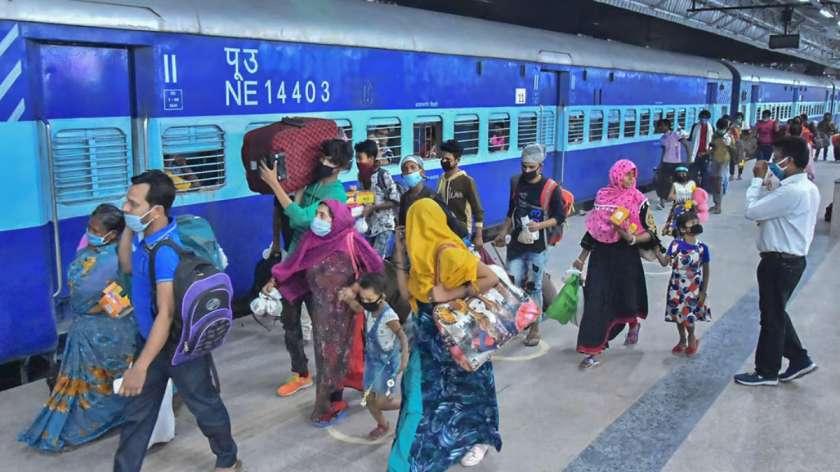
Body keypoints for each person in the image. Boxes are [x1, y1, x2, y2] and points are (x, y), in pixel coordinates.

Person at [114, 170, 239, 472]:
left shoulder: (166, 253)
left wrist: (140, 367)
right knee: (136, 416)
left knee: (204, 406)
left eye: (133, 204)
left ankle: (228, 459)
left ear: (156, 211)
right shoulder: (148, 241)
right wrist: (129, 227)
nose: (125, 209)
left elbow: (166, 314)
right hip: (151, 344)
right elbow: (127, 266)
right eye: (126, 203)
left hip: (177, 348)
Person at [388, 199, 502, 470]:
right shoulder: (421, 257)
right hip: (430, 345)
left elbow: (490, 278)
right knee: (425, 399)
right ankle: (408, 461)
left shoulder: (448, 252)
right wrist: (400, 255)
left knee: (472, 393)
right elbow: (406, 294)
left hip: (461, 341)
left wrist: (450, 293)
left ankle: (479, 440)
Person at [19, 205, 137, 452]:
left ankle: (111, 417)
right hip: (85, 328)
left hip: (110, 330)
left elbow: (127, 295)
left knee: (107, 380)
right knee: (94, 384)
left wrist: (95, 308)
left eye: (96, 230)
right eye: (89, 227)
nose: (90, 232)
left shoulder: (122, 258)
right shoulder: (89, 249)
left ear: (112, 234)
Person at [265, 200, 384, 425]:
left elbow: (375, 267)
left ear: (336, 220)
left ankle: (330, 405)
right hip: (321, 312)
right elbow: (294, 264)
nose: (317, 220)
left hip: (346, 311)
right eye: (317, 214)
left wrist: (354, 289)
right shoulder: (311, 239)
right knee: (327, 358)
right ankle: (333, 401)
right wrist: (274, 280)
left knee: (337, 357)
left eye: (323, 215)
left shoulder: (350, 239)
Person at [259, 139, 352, 398]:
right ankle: (301, 374)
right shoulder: (313, 184)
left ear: (339, 167)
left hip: (318, 269)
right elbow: (295, 219)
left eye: (328, 160)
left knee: (323, 326)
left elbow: (300, 217)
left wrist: (274, 184)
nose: (322, 162)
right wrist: (297, 192)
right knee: (290, 323)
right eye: (322, 157)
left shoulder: (336, 195)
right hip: (295, 262)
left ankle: (333, 375)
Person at [734, 136, 820, 386]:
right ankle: (799, 359)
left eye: (776, 158)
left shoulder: (792, 192)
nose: (772, 162)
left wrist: (757, 180)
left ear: (789, 161)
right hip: (791, 261)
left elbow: (752, 211)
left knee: (771, 318)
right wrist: (768, 184)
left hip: (779, 263)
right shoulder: (807, 188)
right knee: (775, 312)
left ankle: (767, 371)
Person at [572, 160, 660, 368]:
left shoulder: (638, 199)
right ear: (616, 175)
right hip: (600, 259)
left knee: (625, 300)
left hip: (625, 258)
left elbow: (651, 232)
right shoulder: (602, 197)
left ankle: (633, 323)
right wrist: (582, 257)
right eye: (627, 174)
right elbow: (593, 230)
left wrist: (633, 239)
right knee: (597, 302)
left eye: (633, 175)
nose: (630, 179)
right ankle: (593, 349)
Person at [493, 144, 566, 346]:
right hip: (516, 245)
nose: (526, 170)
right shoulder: (516, 182)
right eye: (523, 166)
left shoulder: (551, 188)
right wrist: (503, 232)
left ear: (540, 167)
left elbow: (559, 217)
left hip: (537, 246)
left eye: (531, 167)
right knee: (515, 285)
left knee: (534, 286)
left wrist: (540, 225)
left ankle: (535, 327)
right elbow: (511, 211)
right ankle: (519, 321)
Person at [338, 272, 409, 440]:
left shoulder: (388, 316)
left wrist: (404, 357)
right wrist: (348, 299)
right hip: (371, 362)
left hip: (386, 366)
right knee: (368, 398)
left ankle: (410, 406)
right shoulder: (369, 308)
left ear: (382, 296)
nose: (366, 302)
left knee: (382, 403)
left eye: (370, 299)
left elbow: (402, 336)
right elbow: (358, 308)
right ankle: (383, 425)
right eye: (363, 299)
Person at [655, 210, 711, 357]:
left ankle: (692, 337)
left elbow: (706, 271)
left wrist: (703, 291)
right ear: (682, 229)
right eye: (692, 223)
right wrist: (656, 251)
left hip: (694, 288)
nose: (696, 225)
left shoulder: (703, 248)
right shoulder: (675, 245)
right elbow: (665, 262)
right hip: (676, 286)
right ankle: (682, 339)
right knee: (677, 314)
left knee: (689, 315)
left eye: (697, 222)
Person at [396, 154, 468, 238]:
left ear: (422, 172)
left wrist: (463, 233)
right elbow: (402, 224)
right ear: (403, 175)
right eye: (405, 169)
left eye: (413, 167)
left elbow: (449, 220)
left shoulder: (432, 196)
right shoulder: (404, 198)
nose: (409, 171)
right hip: (414, 243)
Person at [437, 139, 486, 249]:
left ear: (457, 160)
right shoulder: (441, 179)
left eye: (448, 159)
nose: (444, 161)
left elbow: (478, 210)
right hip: (445, 231)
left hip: (462, 233)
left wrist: (479, 236)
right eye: (442, 158)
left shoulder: (467, 181)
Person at [355, 139, 400, 258]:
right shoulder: (361, 175)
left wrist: (373, 207)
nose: (357, 161)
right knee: (369, 257)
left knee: (376, 258)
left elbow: (395, 200)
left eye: (360, 158)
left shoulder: (383, 175)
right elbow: (367, 198)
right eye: (356, 158)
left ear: (371, 158)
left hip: (384, 226)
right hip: (369, 226)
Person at [657, 119, 690, 209]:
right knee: (663, 181)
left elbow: (686, 144)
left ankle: (684, 202)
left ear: (667, 126)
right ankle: (662, 201)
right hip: (666, 162)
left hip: (677, 162)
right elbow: (664, 151)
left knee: (680, 182)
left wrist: (689, 157)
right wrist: (660, 163)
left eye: (662, 126)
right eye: (659, 126)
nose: (660, 128)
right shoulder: (662, 138)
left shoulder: (676, 135)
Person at [708, 117, 734, 214]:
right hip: (715, 159)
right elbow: (713, 147)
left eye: (722, 128)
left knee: (718, 182)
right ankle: (716, 204)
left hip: (723, 161)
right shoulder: (715, 135)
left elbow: (731, 146)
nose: (720, 129)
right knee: (714, 182)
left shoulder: (728, 136)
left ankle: (718, 206)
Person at [661, 166, 697, 237]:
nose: (682, 175)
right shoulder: (675, 185)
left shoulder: (692, 183)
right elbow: (669, 197)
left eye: (683, 173)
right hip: (678, 206)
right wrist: (680, 197)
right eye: (679, 174)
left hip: (689, 205)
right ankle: (678, 236)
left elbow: (696, 194)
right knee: (677, 225)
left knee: (690, 224)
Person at [688, 110, 714, 186]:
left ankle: (703, 189)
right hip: (695, 153)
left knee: (705, 173)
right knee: (693, 173)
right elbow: (690, 139)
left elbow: (712, 143)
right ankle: (695, 187)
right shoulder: (695, 126)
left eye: (705, 118)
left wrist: (705, 153)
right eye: (702, 117)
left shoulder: (711, 128)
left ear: (708, 119)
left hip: (705, 154)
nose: (703, 119)